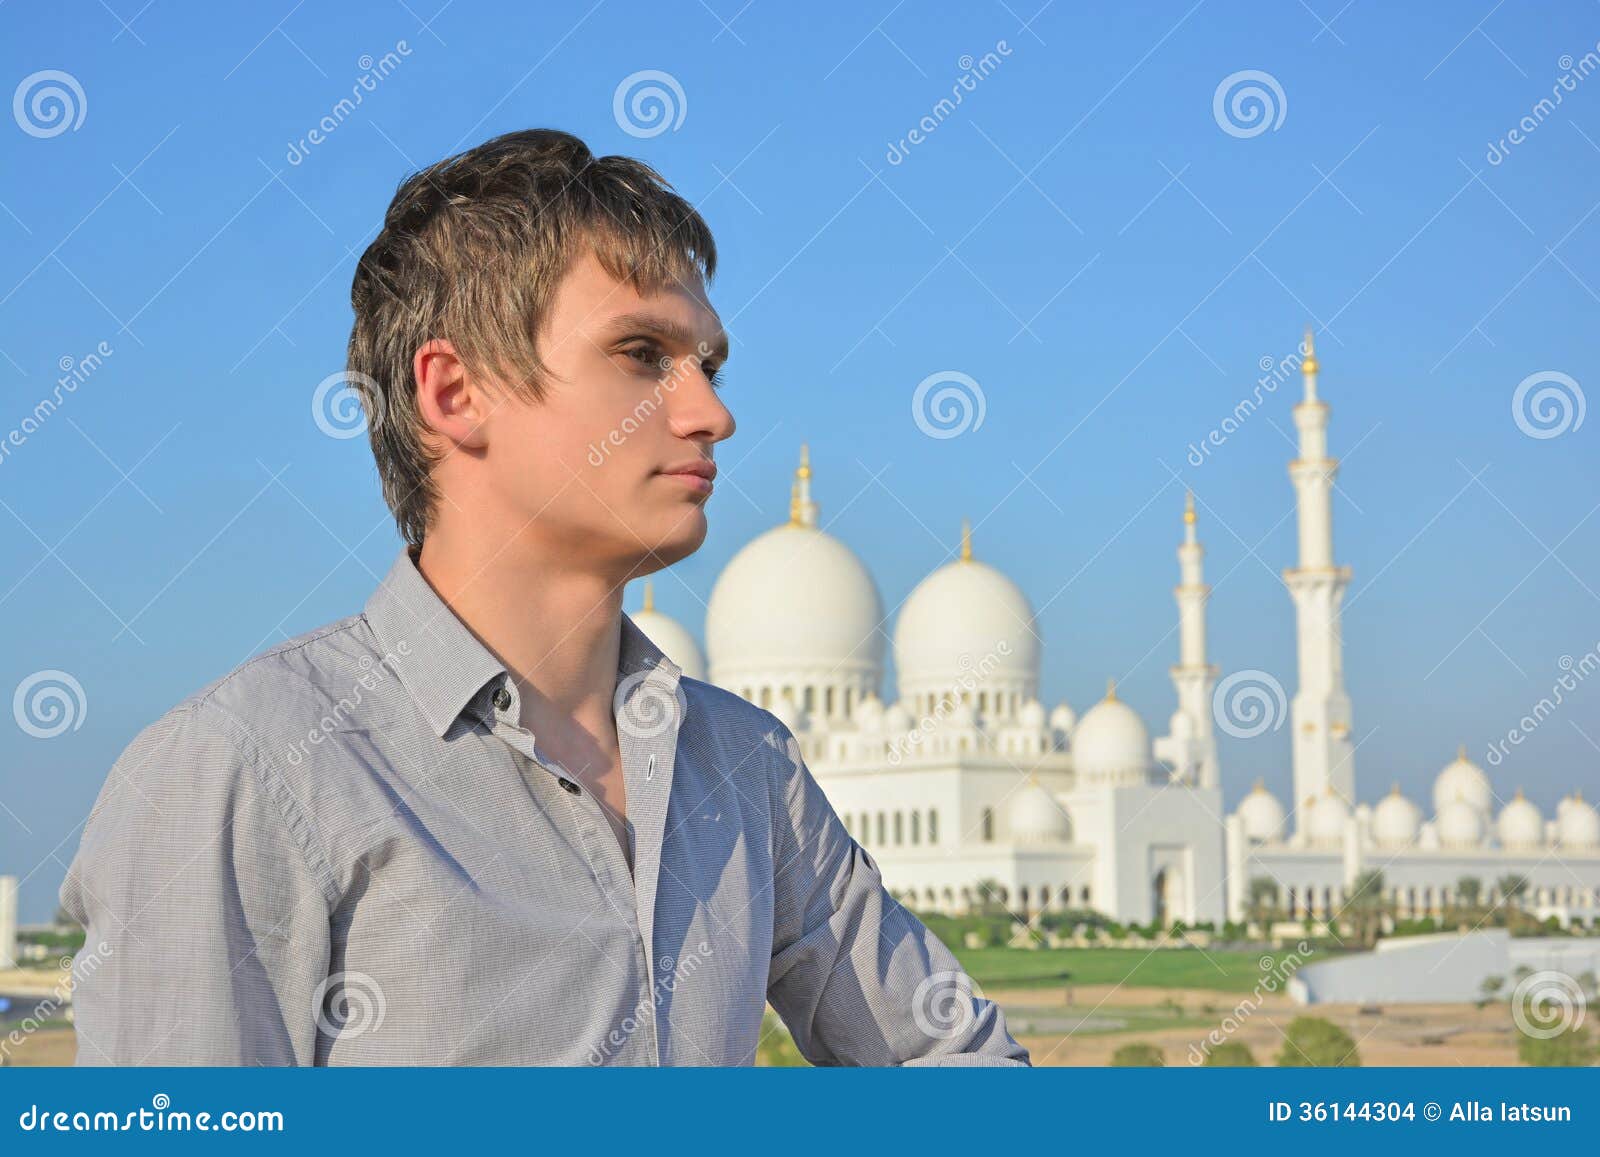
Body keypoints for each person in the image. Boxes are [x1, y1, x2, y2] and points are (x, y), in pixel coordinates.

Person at [59, 129, 1028, 1067]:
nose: (712, 413)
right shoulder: (249, 767)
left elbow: (954, 1061)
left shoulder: (745, 769)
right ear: (453, 392)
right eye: (643, 353)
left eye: (710, 364)